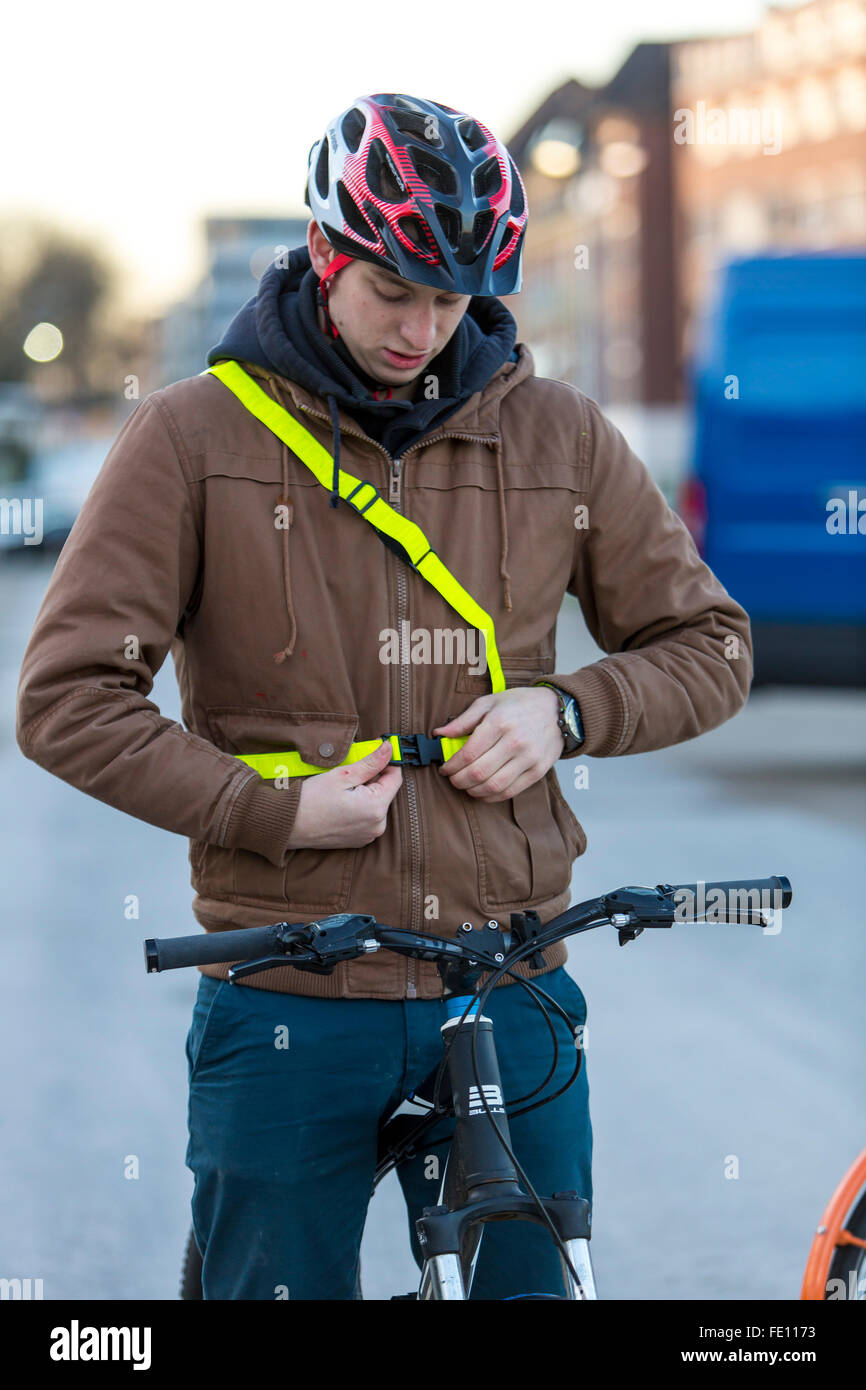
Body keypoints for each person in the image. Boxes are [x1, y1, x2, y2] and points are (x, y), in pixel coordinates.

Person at [16, 92, 752, 1300]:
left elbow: (708, 645)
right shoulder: (189, 439)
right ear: (323, 255)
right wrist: (276, 810)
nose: (421, 328)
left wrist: (565, 711)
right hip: (290, 1000)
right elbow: (66, 699)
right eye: (392, 292)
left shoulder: (559, 436)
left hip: (507, 986)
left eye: (450, 301)